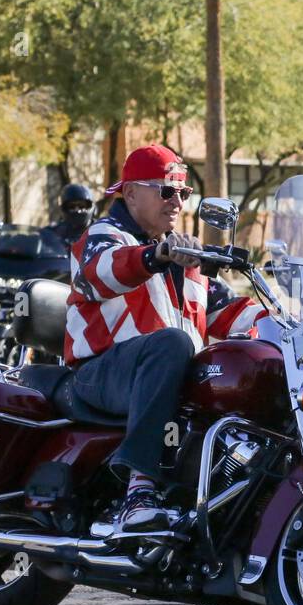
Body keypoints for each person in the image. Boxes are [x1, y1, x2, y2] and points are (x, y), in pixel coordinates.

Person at [65, 145, 266, 535]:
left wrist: (293, 328)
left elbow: (225, 310)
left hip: (157, 376)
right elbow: (99, 273)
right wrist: (155, 256)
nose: (176, 201)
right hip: (97, 375)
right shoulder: (103, 236)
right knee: (172, 342)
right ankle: (138, 491)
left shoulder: (180, 254)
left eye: (183, 193)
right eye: (165, 191)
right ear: (130, 193)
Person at [45, 183, 95, 250]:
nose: (77, 210)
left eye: (82, 206)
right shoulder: (52, 233)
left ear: (90, 206)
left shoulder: (103, 231)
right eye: (71, 206)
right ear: (64, 208)